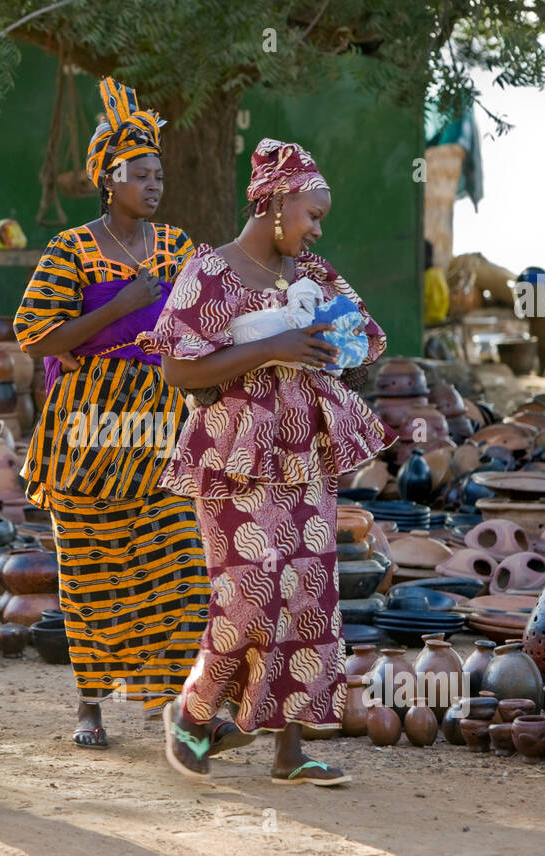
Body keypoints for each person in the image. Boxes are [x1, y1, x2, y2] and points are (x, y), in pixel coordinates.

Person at [140, 139, 395, 785]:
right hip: (236, 455)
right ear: (276, 203)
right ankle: (194, 715)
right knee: (249, 591)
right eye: (311, 215)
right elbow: (177, 367)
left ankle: (290, 754)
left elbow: (361, 338)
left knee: (308, 592)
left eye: (320, 220)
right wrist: (275, 345)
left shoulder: (313, 273)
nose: (316, 229)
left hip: (305, 449)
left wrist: (330, 345)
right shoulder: (211, 273)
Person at [16, 78, 238, 752]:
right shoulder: (71, 250)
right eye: (140, 174)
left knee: (179, 560)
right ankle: (91, 706)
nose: (154, 185)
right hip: (87, 432)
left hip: (160, 431)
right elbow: (36, 336)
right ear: (107, 181)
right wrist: (119, 305)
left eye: (159, 174)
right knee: (92, 569)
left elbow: (217, 315)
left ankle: (183, 705)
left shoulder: (178, 248)